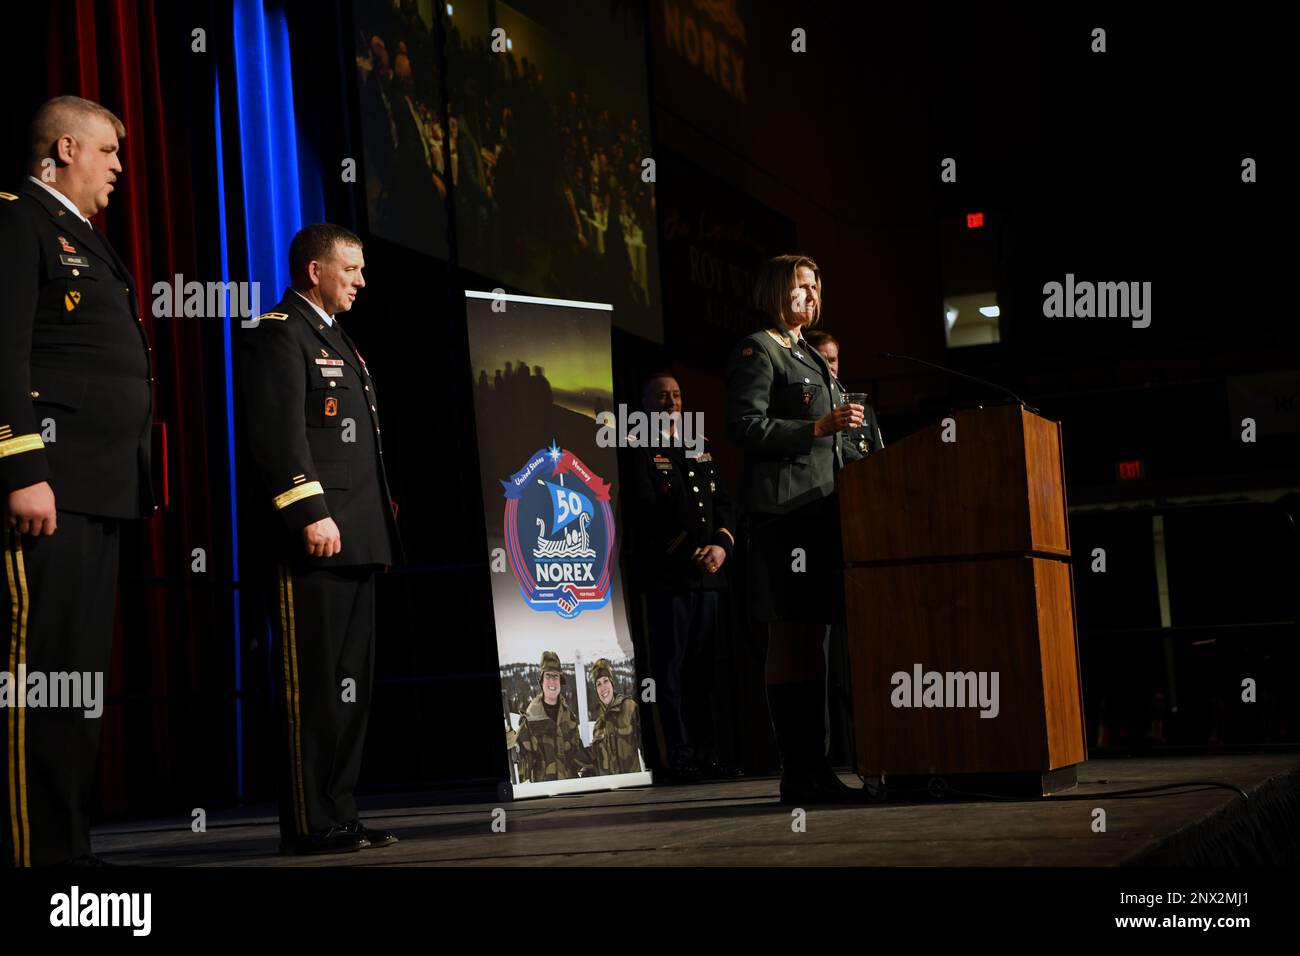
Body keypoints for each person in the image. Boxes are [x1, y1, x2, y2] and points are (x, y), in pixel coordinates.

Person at [0, 96, 155, 866]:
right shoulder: (18, 220)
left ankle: (64, 850)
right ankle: (32, 855)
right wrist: (22, 464)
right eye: (110, 152)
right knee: (38, 688)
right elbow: (3, 352)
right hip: (46, 491)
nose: (121, 168)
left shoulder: (81, 236)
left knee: (75, 692)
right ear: (65, 148)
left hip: (96, 491)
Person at [239, 223, 401, 855]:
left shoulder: (337, 338)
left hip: (358, 535)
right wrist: (309, 511)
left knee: (349, 687)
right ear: (315, 271)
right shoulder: (278, 331)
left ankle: (339, 810)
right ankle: (309, 821)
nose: (361, 282)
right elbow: (279, 435)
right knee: (313, 686)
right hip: (314, 535)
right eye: (351, 270)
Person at [724, 253, 872, 804]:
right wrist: (817, 426)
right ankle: (798, 772)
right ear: (773, 290)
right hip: (782, 515)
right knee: (791, 635)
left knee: (813, 638)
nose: (809, 296)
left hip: (819, 511)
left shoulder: (807, 351)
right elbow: (743, 425)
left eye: (814, 287)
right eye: (798, 286)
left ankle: (818, 768)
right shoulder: (758, 349)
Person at [620, 373, 735, 781]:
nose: (671, 403)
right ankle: (678, 757)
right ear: (645, 404)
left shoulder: (698, 445)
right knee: (667, 672)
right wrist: (691, 550)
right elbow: (646, 513)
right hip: (670, 574)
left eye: (676, 395)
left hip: (710, 575)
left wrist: (720, 545)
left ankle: (708, 753)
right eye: (661, 397)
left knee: (705, 672)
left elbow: (722, 502)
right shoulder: (639, 449)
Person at [802, 330, 884, 464]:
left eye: (832, 360)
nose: (828, 366)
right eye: (822, 360)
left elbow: (879, 454)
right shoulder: (808, 406)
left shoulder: (864, 410)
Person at [513, 651, 593, 782]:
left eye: (555, 676)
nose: (552, 681)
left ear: (560, 681)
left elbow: (578, 756)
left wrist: (588, 772)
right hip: (546, 796)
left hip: (571, 794)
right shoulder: (531, 719)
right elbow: (520, 766)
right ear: (541, 681)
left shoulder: (570, 718)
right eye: (548, 676)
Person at [589, 658, 642, 776]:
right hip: (610, 791)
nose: (603, 687)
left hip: (633, 787)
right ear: (596, 690)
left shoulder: (629, 707)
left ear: (612, 683)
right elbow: (595, 763)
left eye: (605, 681)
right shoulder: (598, 726)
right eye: (598, 684)